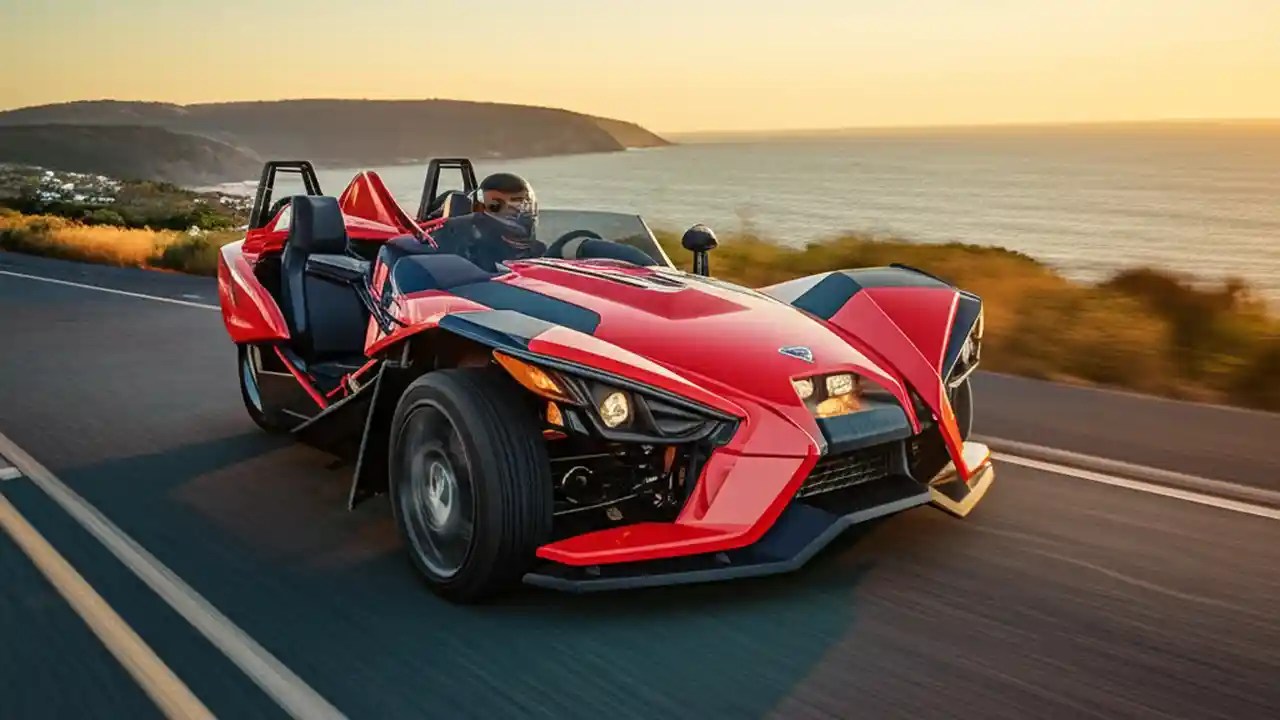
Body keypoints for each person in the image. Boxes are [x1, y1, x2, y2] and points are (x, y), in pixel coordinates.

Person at [428, 172, 546, 271]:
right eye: (496, 205)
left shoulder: (539, 251)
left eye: (519, 204)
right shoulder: (463, 243)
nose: (513, 211)